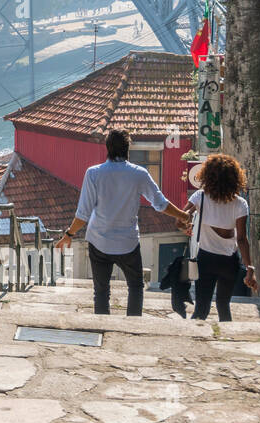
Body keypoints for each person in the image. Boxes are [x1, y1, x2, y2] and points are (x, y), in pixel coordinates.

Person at [56, 129, 190, 316]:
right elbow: (161, 204)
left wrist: (69, 234)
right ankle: (132, 326)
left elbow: (83, 214)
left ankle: (102, 327)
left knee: (101, 291)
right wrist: (184, 216)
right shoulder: (139, 174)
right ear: (128, 149)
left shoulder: (93, 173)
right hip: (127, 243)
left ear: (107, 148)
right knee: (135, 286)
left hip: (99, 241)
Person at [184, 152, 257, 321]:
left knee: (201, 308)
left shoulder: (200, 197)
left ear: (207, 176)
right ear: (235, 179)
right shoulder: (240, 204)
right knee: (223, 305)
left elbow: (183, 217)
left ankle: (194, 338)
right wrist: (249, 268)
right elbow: (241, 239)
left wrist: (187, 223)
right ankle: (226, 338)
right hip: (229, 262)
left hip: (205, 260)